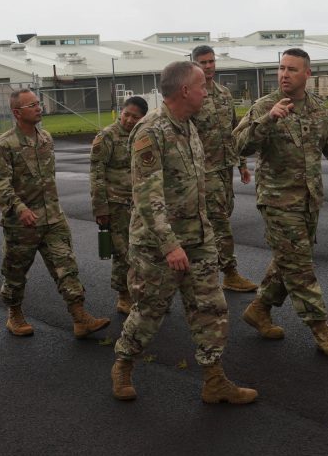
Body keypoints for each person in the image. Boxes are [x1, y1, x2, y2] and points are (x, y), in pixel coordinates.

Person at [111, 61, 256, 405]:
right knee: (150, 312)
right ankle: (123, 365)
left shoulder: (189, 125)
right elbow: (147, 195)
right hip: (159, 245)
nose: (207, 91)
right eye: (202, 85)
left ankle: (214, 381)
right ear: (185, 90)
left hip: (198, 238)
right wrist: (169, 245)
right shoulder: (151, 131)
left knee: (211, 309)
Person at [234, 48, 328, 357]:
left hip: (309, 200)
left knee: (290, 259)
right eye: (281, 68)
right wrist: (268, 120)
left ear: (307, 74)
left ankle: (259, 308)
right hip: (277, 201)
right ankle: (321, 328)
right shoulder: (264, 107)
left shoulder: (319, 110)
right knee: (299, 266)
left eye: (292, 69)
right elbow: (238, 145)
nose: (284, 74)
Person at [0, 88, 110, 338]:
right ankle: (14, 314)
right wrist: (19, 208)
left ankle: (79, 317)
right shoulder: (4, 145)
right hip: (22, 224)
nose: (39, 107)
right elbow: (0, 183)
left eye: (38, 103)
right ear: (17, 113)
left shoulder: (45, 138)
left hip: (53, 218)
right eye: (32, 105)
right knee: (15, 273)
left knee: (67, 266)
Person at [190, 45, 257, 292]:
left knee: (222, 216)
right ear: (194, 65)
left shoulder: (224, 94)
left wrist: (242, 164)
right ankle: (229, 273)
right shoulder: (191, 96)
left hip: (225, 167)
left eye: (211, 61)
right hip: (204, 171)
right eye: (203, 62)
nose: (208, 66)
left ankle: (199, 269)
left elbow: (234, 132)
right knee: (220, 224)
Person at [89, 95, 148, 314]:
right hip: (116, 204)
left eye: (135, 117)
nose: (129, 120)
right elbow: (96, 173)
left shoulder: (143, 136)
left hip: (139, 203)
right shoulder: (107, 136)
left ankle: (141, 293)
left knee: (143, 250)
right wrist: (100, 208)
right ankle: (124, 295)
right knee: (123, 252)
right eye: (126, 115)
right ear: (120, 112)